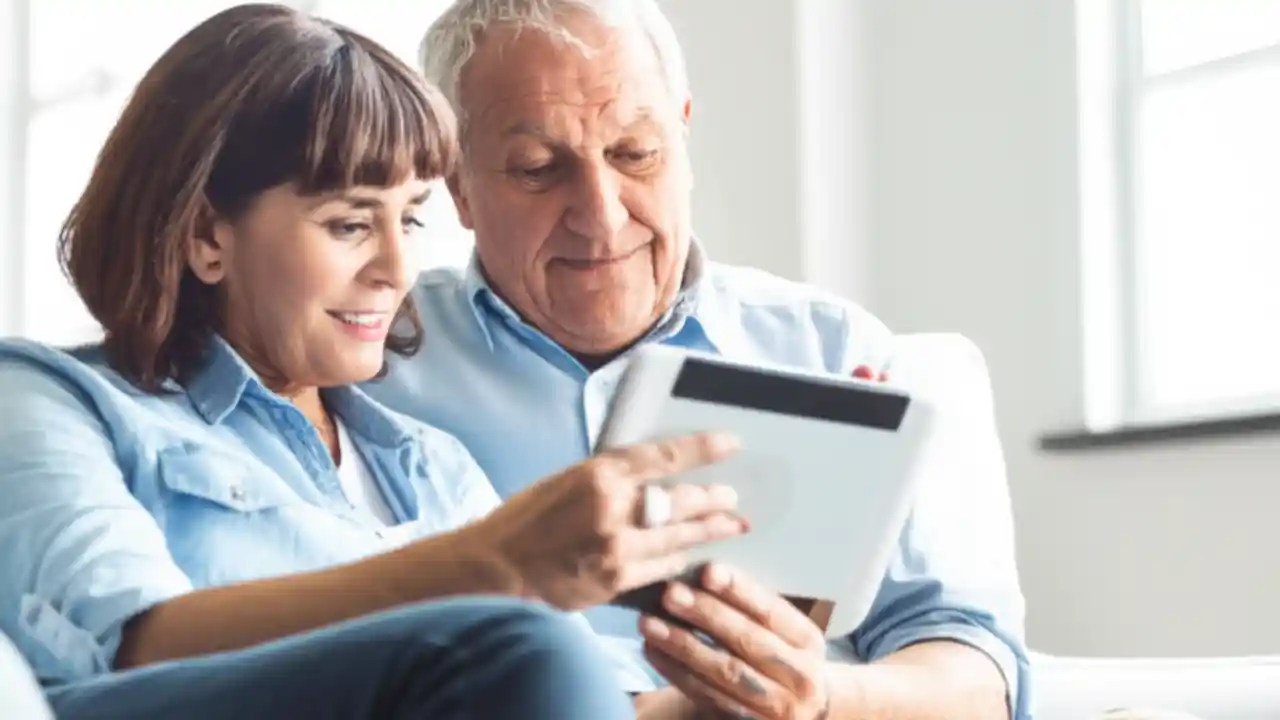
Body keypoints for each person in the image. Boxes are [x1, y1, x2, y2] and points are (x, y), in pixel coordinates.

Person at [0, 5, 750, 718]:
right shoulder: (49, 401)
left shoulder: (430, 466)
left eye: (411, 219)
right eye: (350, 224)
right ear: (205, 236)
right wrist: (492, 565)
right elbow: (129, 653)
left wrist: (740, 695)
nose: (396, 270)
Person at [364, 1, 1031, 718]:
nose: (602, 216)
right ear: (458, 185)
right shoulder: (371, 363)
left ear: (682, 135)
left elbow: (978, 675)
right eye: (537, 169)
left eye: (635, 153)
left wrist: (820, 698)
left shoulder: (832, 351)